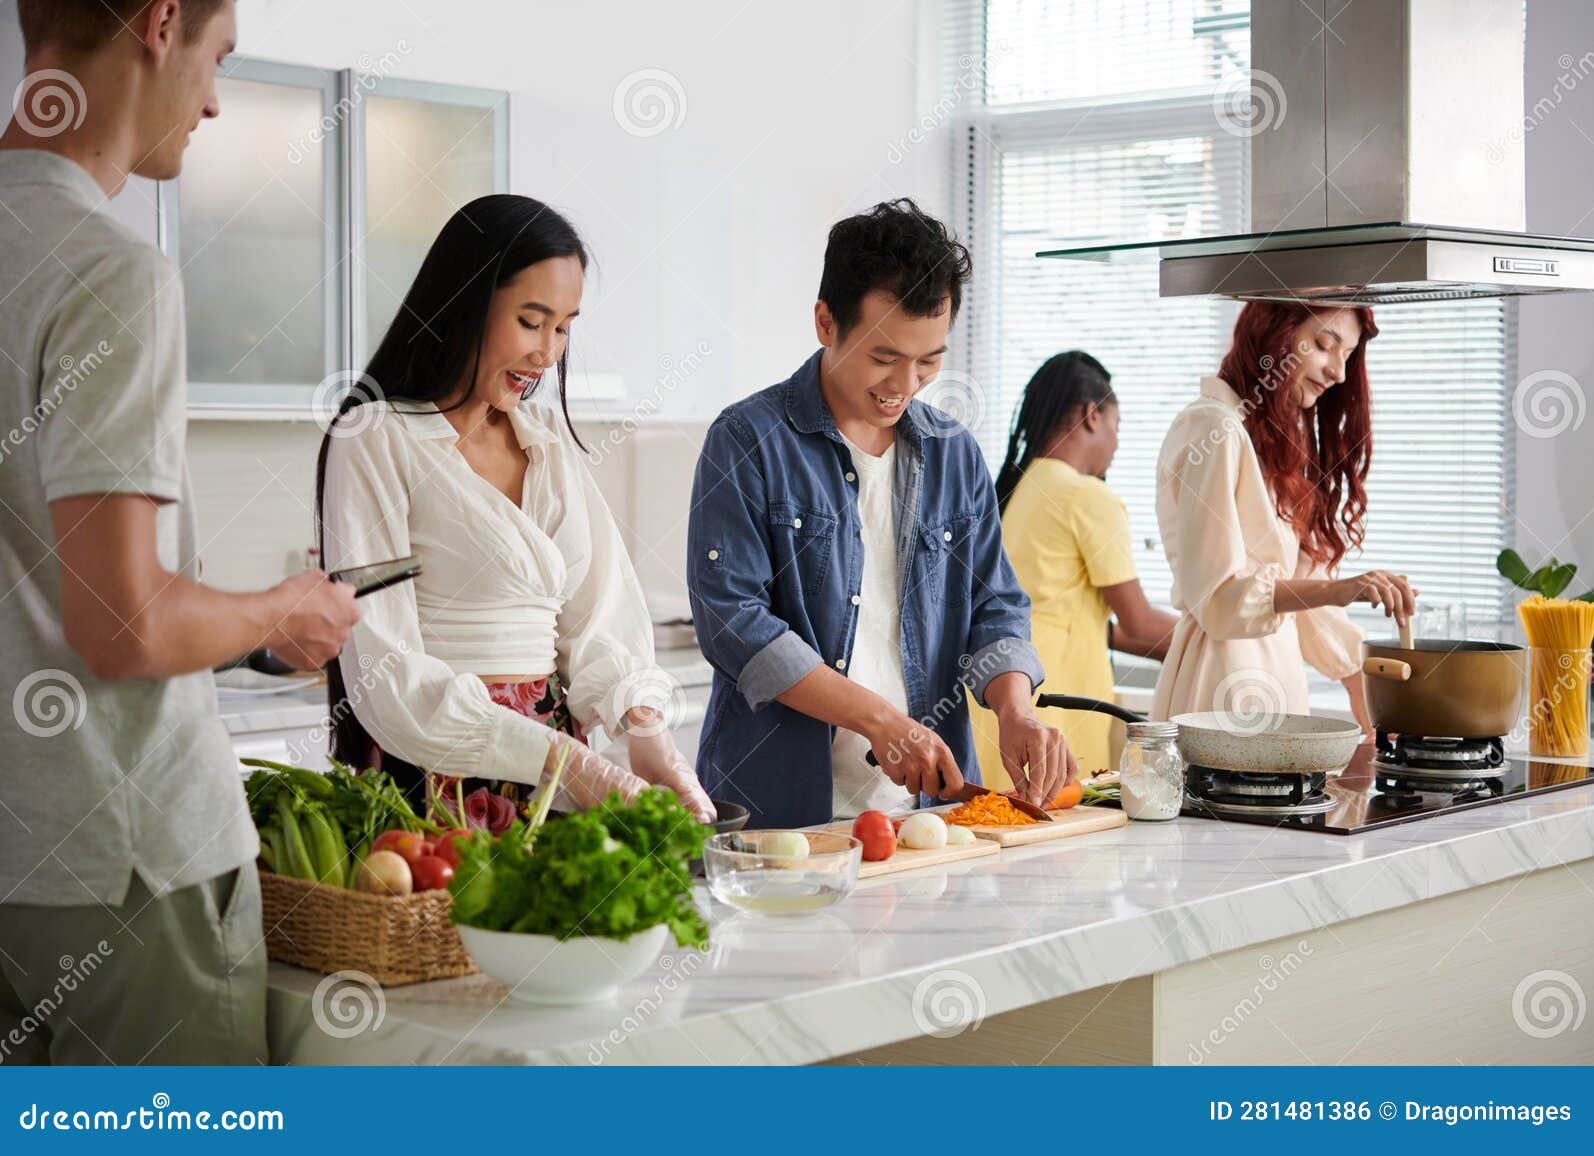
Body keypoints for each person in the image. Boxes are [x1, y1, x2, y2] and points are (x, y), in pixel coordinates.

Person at [0, 0, 360, 1065]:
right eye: (217, 58)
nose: (210, 101)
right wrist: (285, 608)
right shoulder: (110, 270)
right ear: (160, 23)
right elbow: (123, 624)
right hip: (121, 867)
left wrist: (240, 628)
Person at [317, 195, 714, 826]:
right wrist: (569, 762)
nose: (549, 353)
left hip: (555, 777)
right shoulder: (374, 437)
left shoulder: (547, 444)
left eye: (564, 327)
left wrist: (646, 732)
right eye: (531, 321)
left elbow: (600, 614)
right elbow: (384, 668)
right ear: (465, 304)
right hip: (430, 777)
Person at [687, 199, 1075, 829]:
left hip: (927, 818)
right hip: (777, 813)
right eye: (883, 356)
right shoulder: (747, 440)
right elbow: (733, 622)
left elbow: (994, 605)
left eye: (929, 360)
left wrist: (1015, 710)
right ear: (824, 322)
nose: (906, 383)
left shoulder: (955, 454)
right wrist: (878, 720)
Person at [1152, 301, 1416, 733]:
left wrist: (1355, 680)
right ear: (1274, 332)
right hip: (1218, 685)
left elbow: (1299, 596)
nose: (1339, 373)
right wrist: (1338, 589)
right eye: (1324, 345)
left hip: (1279, 684)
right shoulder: (1211, 429)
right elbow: (1217, 601)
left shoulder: (1271, 442)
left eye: (1346, 356)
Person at [972, 352, 1177, 786]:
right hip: (1060, 711)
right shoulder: (1088, 496)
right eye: (1117, 428)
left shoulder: (1014, 491)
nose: (1118, 447)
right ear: (1091, 416)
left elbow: (1095, 626)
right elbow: (1140, 624)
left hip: (1002, 706)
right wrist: (1214, 645)